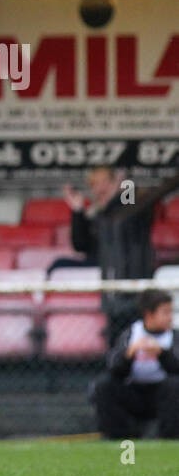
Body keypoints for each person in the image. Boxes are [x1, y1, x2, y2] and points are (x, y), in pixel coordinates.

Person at [59, 166, 156, 339]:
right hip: (112, 295)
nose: (100, 189)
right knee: (117, 350)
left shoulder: (130, 206)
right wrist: (78, 211)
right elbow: (81, 246)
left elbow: (130, 202)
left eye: (105, 183)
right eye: (95, 185)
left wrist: (124, 184)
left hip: (137, 293)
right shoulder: (99, 216)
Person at [90, 289, 178, 439]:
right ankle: (120, 438)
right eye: (165, 313)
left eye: (171, 312)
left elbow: (176, 368)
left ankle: (170, 438)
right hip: (135, 392)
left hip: (163, 395)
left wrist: (162, 354)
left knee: (175, 385)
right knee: (104, 386)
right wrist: (129, 355)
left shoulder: (174, 337)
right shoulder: (131, 334)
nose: (170, 318)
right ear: (149, 314)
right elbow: (115, 369)